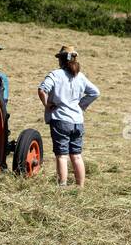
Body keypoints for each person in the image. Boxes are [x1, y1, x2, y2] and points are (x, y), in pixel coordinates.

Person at [38, 45, 100, 186]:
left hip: (60, 120)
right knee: (77, 156)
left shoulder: (55, 75)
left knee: (61, 156)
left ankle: (63, 187)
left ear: (61, 60)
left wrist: (47, 104)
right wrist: (80, 105)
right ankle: (80, 187)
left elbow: (42, 90)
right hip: (77, 121)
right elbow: (95, 92)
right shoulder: (80, 76)